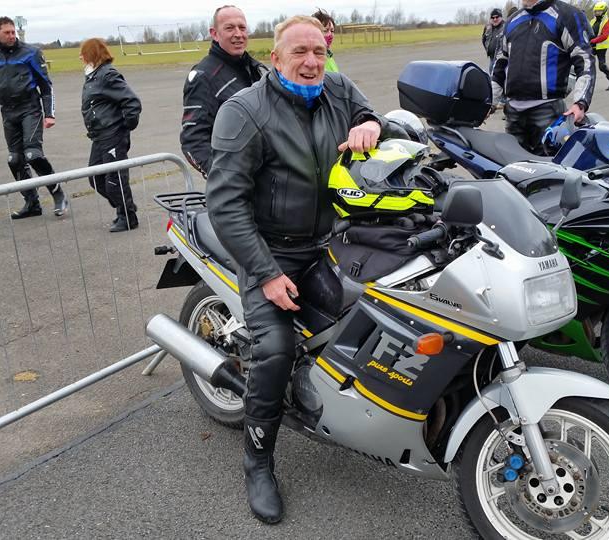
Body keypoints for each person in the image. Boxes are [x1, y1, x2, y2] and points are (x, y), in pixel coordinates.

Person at [206, 15, 383, 524]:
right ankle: (258, 461)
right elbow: (226, 204)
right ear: (276, 58)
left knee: (382, 307)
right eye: (299, 53)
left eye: (318, 52)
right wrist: (265, 272)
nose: (310, 62)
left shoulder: (336, 88)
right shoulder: (244, 111)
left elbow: (368, 112)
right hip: (270, 251)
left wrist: (372, 123)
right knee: (277, 348)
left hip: (330, 239)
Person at [0, 16, 68, 219]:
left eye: (13, 32)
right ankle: (32, 203)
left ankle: (58, 194)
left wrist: (49, 114)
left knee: (33, 155)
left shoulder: (31, 52)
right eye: (7, 33)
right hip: (8, 111)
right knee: (14, 159)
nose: (12, 36)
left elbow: (46, 85)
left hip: (30, 108)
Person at [491, 0, 596, 153]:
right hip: (513, 115)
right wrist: (490, 102)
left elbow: (584, 60)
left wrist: (580, 103)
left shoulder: (567, 15)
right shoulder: (512, 21)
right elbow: (500, 65)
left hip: (548, 113)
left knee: (548, 166)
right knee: (513, 165)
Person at [180, 5, 267, 177]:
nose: (238, 34)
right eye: (229, 28)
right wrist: (224, 179)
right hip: (240, 181)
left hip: (265, 175)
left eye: (242, 28)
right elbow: (193, 141)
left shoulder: (255, 68)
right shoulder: (203, 76)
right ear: (214, 33)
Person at [79, 38, 143, 232]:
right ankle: (125, 207)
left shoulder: (107, 75)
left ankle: (128, 217)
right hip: (99, 137)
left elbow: (132, 101)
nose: (80, 57)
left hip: (113, 135)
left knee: (115, 180)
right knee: (95, 178)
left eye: (83, 53)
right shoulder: (93, 76)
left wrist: (124, 127)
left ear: (92, 54)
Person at [590, 2, 609, 90]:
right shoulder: (593, 21)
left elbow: (604, 36)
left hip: (601, 46)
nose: (597, 13)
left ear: (604, 11)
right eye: (596, 11)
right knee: (584, 62)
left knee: (602, 66)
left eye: (599, 11)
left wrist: (593, 41)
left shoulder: (607, 22)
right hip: (592, 45)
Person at [482, 8, 506, 75]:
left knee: (501, 77)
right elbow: (484, 39)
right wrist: (489, 50)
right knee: (492, 76)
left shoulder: (506, 27)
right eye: (492, 17)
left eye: (497, 17)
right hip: (492, 58)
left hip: (502, 59)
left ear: (501, 17)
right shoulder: (487, 27)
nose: (495, 19)